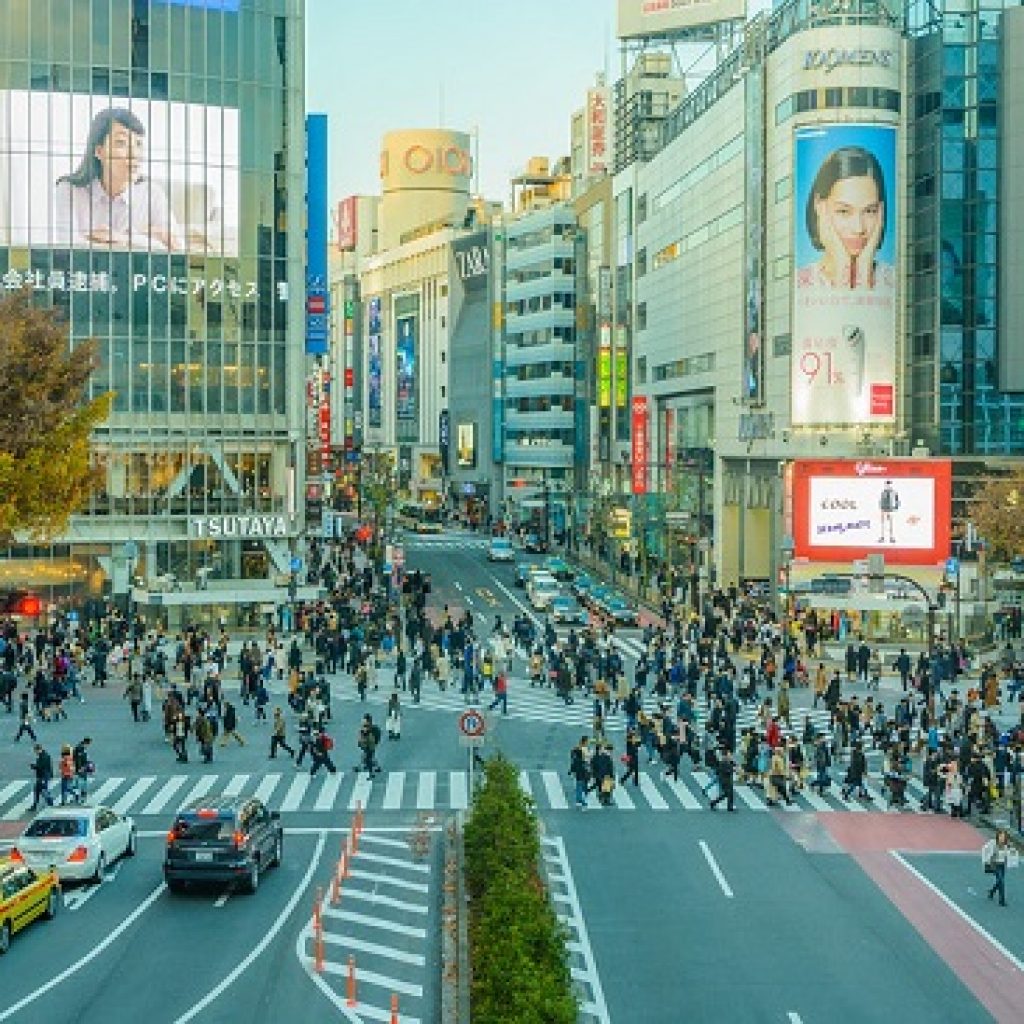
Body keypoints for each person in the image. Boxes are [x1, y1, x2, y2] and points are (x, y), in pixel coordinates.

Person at [54, 107, 186, 251]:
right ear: (99, 151)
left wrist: (124, 238)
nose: (134, 154)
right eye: (121, 143)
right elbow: (68, 247)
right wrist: (147, 239)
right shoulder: (69, 190)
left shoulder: (152, 194)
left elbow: (177, 247)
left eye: (138, 144)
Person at [982, 829, 1018, 907]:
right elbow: (985, 849)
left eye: (1003, 837)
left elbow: (1012, 852)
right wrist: (987, 861)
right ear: (998, 836)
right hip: (995, 864)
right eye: (1001, 836)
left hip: (1002, 865)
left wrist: (1011, 849)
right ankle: (1002, 900)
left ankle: (991, 892)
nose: (1002, 838)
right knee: (1001, 881)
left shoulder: (1007, 845)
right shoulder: (993, 843)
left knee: (999, 881)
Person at [709, 747, 736, 811]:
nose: (730, 756)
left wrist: (732, 764)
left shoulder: (728, 761)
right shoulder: (723, 762)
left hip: (727, 779)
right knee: (729, 793)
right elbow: (725, 771)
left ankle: (713, 803)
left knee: (726, 794)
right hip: (725, 780)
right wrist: (732, 769)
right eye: (729, 755)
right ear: (725, 756)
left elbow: (733, 765)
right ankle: (729, 807)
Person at [29, 743, 54, 811]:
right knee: (37, 790)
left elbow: (41, 767)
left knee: (42, 791)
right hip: (43, 776)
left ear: (38, 749)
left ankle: (50, 801)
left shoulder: (43, 756)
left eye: (35, 751)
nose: (35, 752)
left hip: (43, 776)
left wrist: (33, 766)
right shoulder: (44, 755)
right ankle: (35, 805)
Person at [568, 737, 590, 809]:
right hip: (582, 774)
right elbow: (586, 765)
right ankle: (581, 800)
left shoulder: (576, 759)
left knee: (578, 786)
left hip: (578, 774)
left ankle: (578, 800)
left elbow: (573, 765)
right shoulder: (582, 761)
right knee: (582, 786)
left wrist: (571, 772)